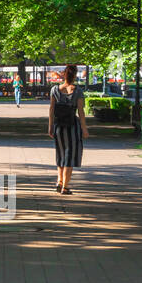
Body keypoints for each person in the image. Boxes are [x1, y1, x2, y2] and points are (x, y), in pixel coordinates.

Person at [48, 63, 88, 194]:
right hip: (72, 127)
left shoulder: (55, 90)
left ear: (64, 74)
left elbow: (51, 110)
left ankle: (59, 181)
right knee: (69, 156)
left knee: (60, 154)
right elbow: (81, 112)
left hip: (59, 126)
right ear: (75, 76)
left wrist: (50, 127)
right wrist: (84, 129)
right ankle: (65, 186)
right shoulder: (78, 91)